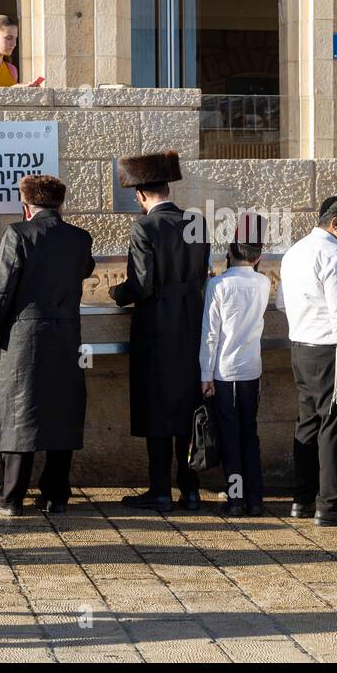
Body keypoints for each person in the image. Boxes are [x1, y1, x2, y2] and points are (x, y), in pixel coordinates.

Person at [0, 174, 95, 516]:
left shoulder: (18, 234)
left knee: (20, 412)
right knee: (63, 409)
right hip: (66, 335)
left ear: (26, 206)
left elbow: (2, 290)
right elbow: (85, 269)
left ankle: (11, 497)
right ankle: (56, 494)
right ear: (60, 206)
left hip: (24, 336)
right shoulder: (80, 238)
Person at [112, 150, 211, 513]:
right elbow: (202, 274)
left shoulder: (144, 227)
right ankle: (190, 489)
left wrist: (116, 294)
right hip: (192, 325)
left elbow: (141, 284)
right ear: (168, 188)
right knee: (188, 407)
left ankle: (159, 489)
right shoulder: (197, 222)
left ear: (140, 195)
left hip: (156, 327)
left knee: (156, 408)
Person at [278, 196, 337, 527]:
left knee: (309, 423)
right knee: (335, 427)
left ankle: (302, 500)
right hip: (331, 349)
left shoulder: (294, 252)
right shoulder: (336, 256)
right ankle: (329, 505)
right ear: (335, 223)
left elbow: (281, 302)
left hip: (301, 347)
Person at [200, 212, 270, 517]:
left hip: (224, 372)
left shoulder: (218, 285)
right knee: (249, 434)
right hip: (251, 369)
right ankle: (255, 498)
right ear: (258, 257)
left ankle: (236, 498)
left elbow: (210, 335)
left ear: (229, 252)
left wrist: (205, 375)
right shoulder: (264, 283)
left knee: (229, 437)